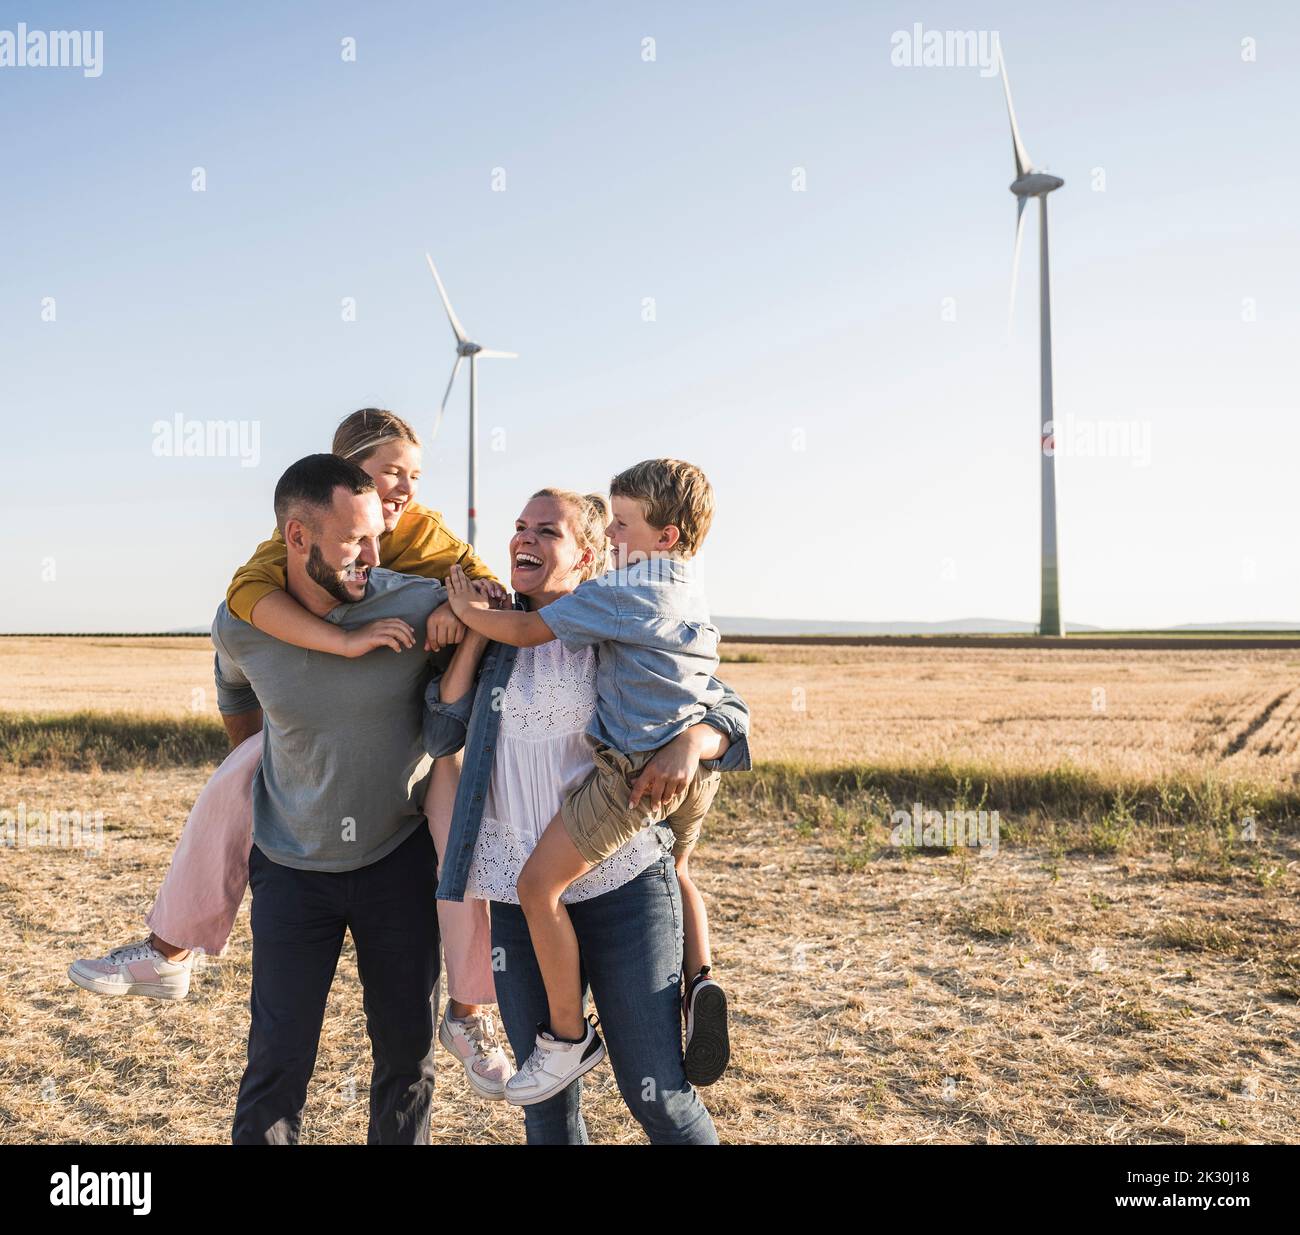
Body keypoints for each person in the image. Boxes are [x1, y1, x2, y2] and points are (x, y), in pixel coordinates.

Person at [68, 409, 511, 1099]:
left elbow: (488, 587)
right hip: (306, 753)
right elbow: (243, 602)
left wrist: (467, 606)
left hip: (413, 753)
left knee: (459, 842)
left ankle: (470, 1008)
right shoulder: (281, 551)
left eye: (415, 476)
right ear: (344, 472)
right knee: (230, 786)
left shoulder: (421, 533)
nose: (405, 491)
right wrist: (336, 647)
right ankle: (168, 949)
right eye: (392, 472)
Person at [426, 487, 751, 1143]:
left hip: (623, 889)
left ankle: (697, 984)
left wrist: (691, 742)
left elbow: (728, 715)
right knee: (546, 1104)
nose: (525, 538)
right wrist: (470, 629)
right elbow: (440, 734)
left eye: (547, 530)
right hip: (519, 902)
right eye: (519, 526)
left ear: (587, 556)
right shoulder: (497, 633)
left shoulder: (620, 628)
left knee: (656, 1093)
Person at [213, 454, 454, 1143]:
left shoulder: (412, 601)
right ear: (296, 537)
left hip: (398, 860)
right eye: (354, 540)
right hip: (290, 867)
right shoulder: (244, 624)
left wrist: (462, 620)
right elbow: (234, 691)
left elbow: (495, 634)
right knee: (277, 1062)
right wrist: (255, 759)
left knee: (407, 1058)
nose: (373, 557)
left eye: (377, 536)